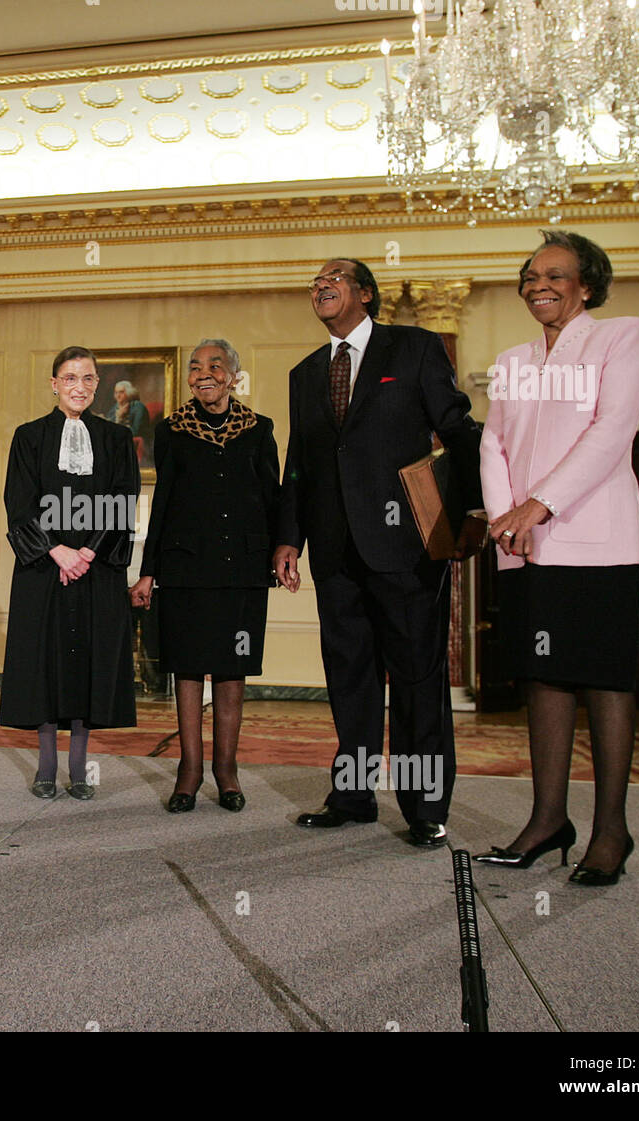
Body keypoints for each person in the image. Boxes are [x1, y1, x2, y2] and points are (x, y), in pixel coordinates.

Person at [273, 258, 486, 847]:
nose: (320, 284)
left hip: (408, 546)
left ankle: (424, 809)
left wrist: (468, 511)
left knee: (417, 679)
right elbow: (300, 463)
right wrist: (289, 537)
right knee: (350, 678)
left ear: (365, 294)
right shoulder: (305, 372)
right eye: (313, 279)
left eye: (334, 277)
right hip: (336, 552)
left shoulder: (413, 349)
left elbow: (459, 430)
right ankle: (353, 795)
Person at [474, 230, 639, 886]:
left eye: (555, 275)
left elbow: (613, 429)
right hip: (525, 544)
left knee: (604, 679)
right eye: (529, 276)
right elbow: (493, 441)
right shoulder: (513, 357)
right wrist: (502, 517)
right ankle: (548, 820)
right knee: (542, 678)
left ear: (586, 285)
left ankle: (611, 830)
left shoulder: (620, 334)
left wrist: (538, 503)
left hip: (598, 541)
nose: (538, 285)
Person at [130, 339, 279, 813]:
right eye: (196, 367)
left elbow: (273, 498)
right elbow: (163, 505)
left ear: (234, 376)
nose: (204, 373)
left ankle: (226, 771)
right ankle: (189, 771)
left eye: (215, 366)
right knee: (189, 666)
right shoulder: (170, 430)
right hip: (185, 566)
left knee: (232, 670)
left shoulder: (260, 429)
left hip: (242, 569)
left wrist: (282, 553)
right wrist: (148, 572)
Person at [0, 347, 140, 798]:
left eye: (88, 378)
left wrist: (85, 556)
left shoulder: (117, 440)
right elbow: (19, 505)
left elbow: (122, 505)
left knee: (87, 666)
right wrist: (57, 551)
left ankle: (78, 769)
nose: (79, 386)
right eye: (70, 377)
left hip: (96, 572)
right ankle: (45, 768)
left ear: (97, 385)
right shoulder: (29, 437)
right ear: (54, 383)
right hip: (42, 569)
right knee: (45, 666)